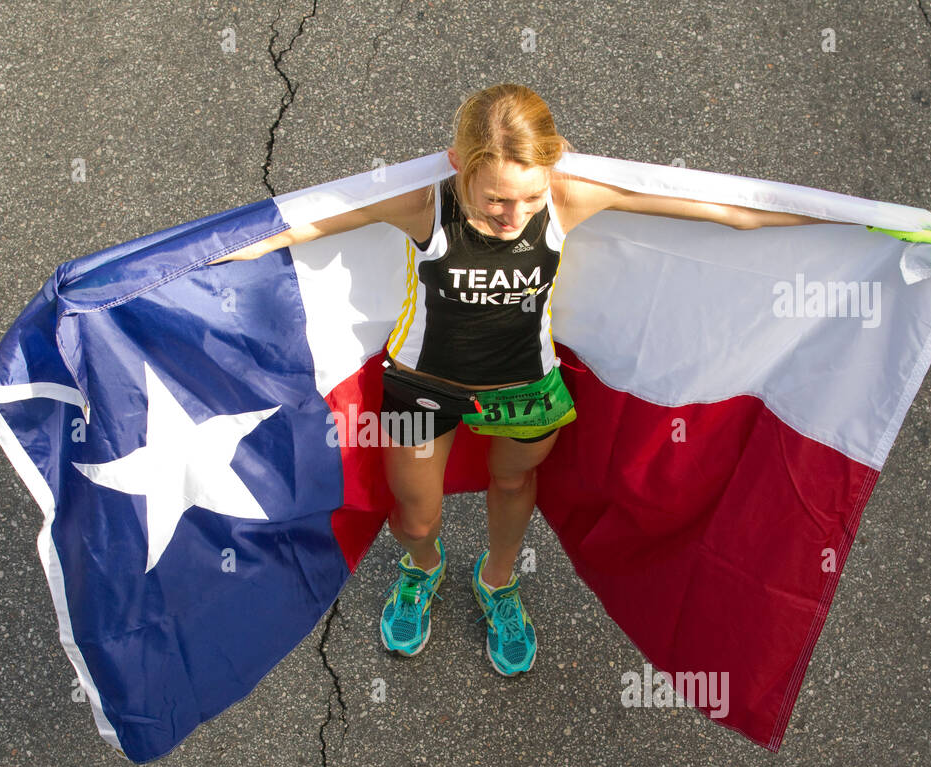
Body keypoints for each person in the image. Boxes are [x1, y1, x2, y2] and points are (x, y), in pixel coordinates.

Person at [213, 83, 841, 677]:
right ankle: (422, 569)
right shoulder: (423, 204)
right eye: (494, 200)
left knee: (513, 481)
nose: (513, 216)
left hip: (526, 390)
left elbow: (726, 212)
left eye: (529, 199)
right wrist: (184, 265)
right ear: (459, 164)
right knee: (417, 515)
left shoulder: (568, 199)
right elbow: (304, 225)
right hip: (422, 385)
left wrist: (846, 223)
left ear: (554, 168)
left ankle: (498, 579)